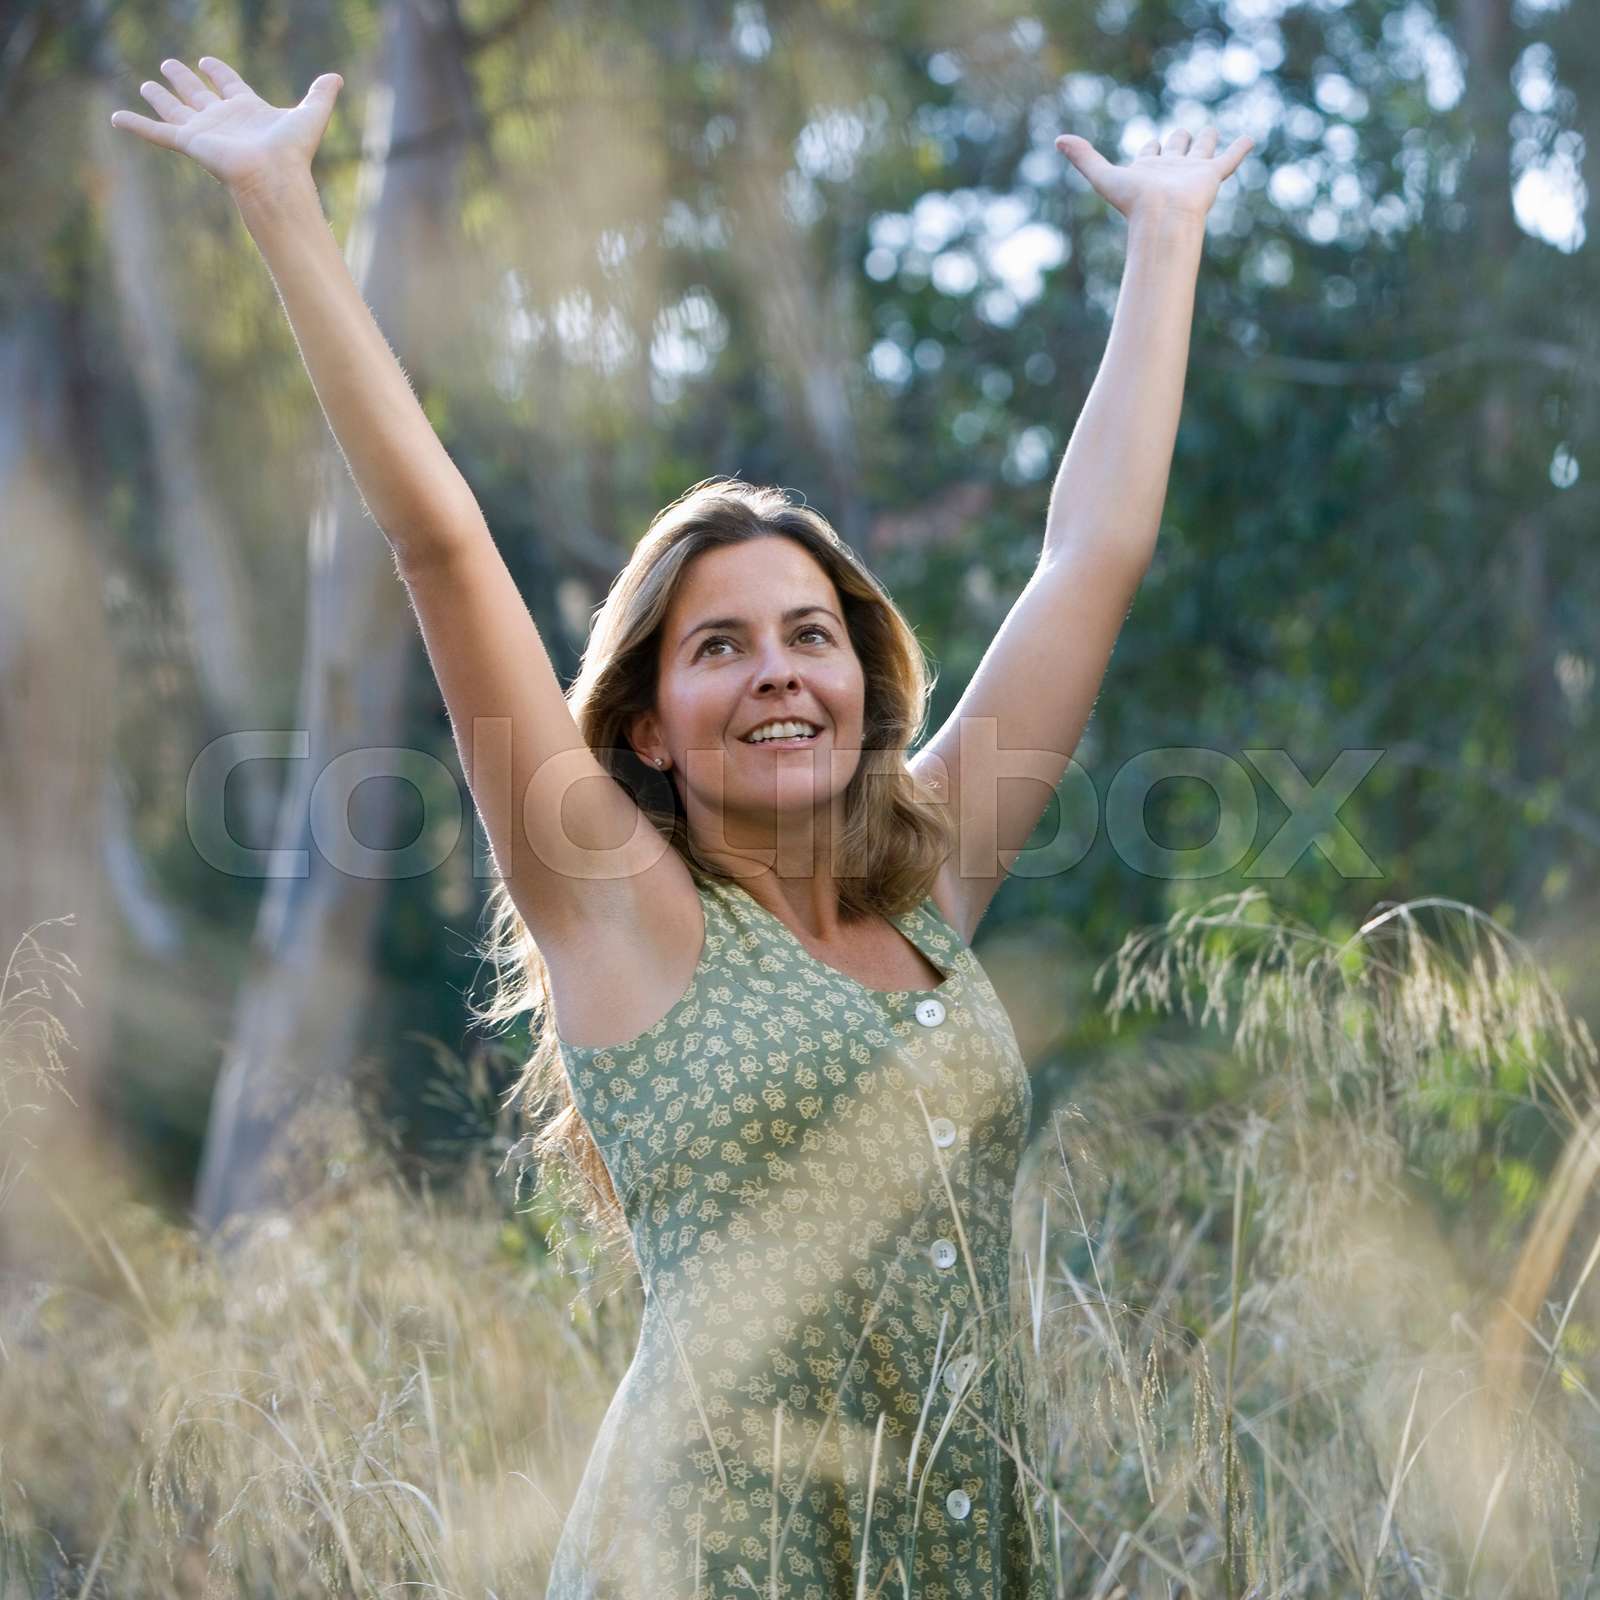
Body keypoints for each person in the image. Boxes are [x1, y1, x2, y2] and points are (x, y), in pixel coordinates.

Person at [112, 53, 1252, 1598]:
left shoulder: (931, 879)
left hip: (954, 1546)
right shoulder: (617, 909)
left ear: (863, 673)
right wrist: (279, 204)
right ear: (647, 722)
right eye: (720, 646)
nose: (779, 670)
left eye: (810, 633)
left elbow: (1090, 554)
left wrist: (1165, 237)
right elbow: (441, 543)